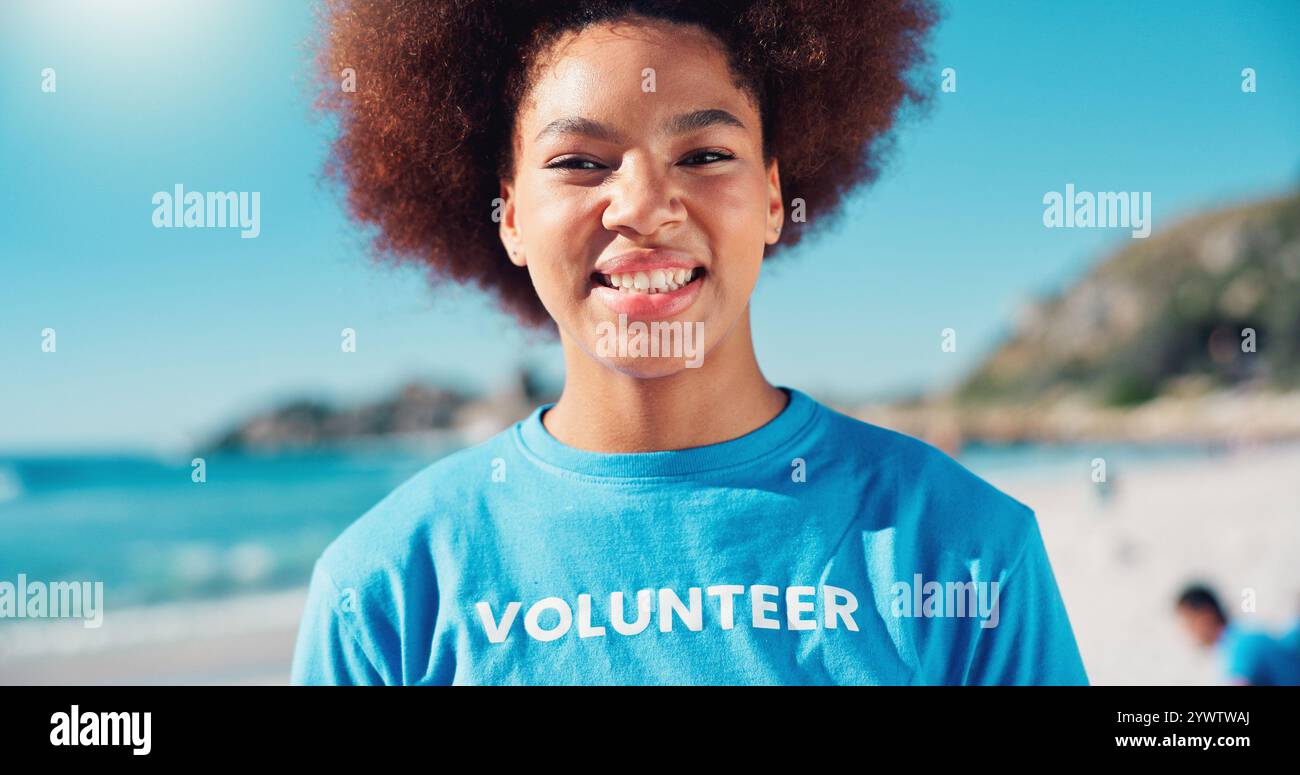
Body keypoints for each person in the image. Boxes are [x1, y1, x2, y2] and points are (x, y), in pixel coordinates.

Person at [289, 0, 1089, 685]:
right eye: (579, 162)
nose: (644, 205)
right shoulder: (384, 594)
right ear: (509, 217)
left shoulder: (964, 551)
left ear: (774, 197)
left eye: (705, 155)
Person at [1175, 583, 1300, 686]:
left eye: (1188, 623)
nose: (1186, 632)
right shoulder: (1249, 634)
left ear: (1205, 616)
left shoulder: (1236, 647)